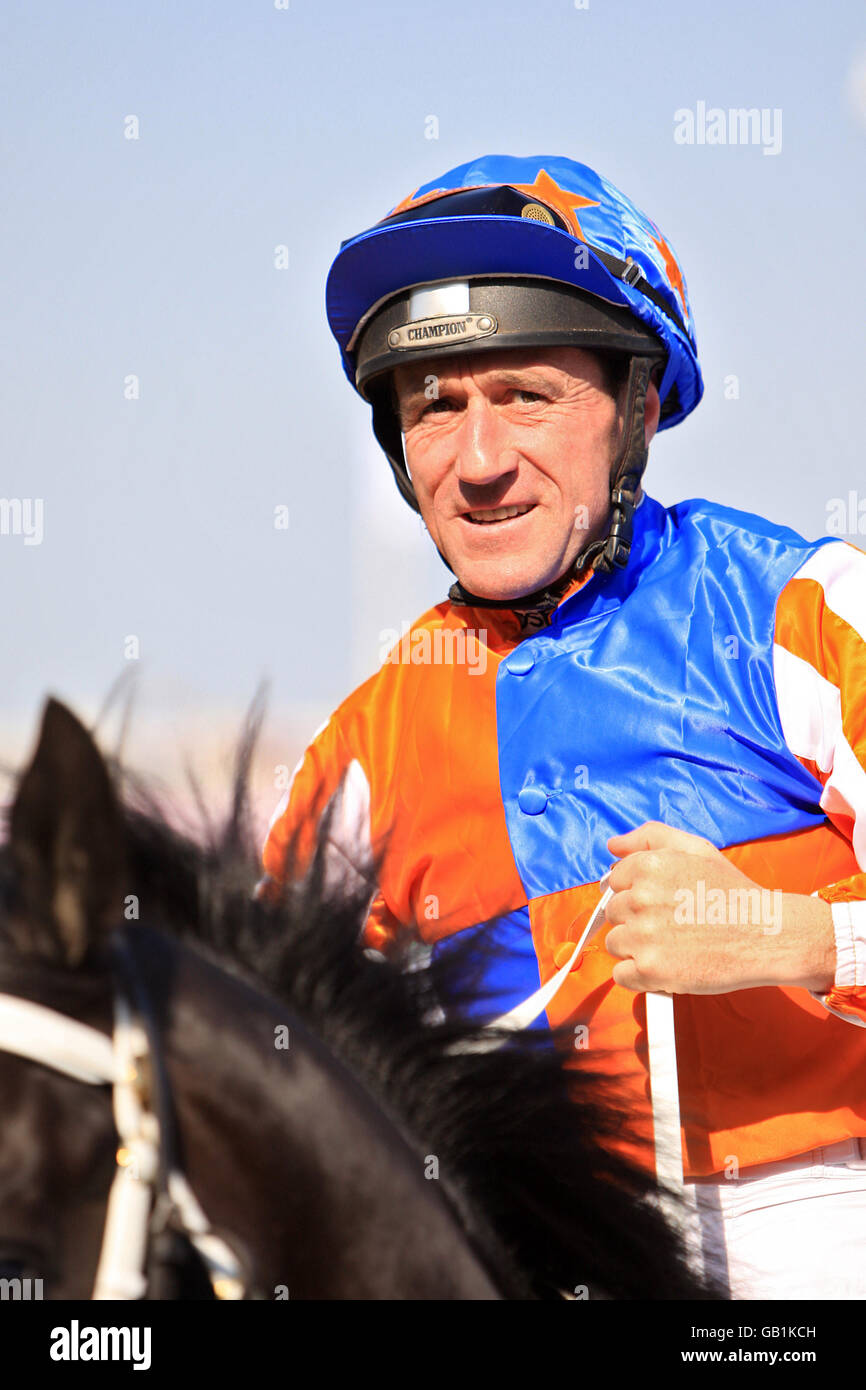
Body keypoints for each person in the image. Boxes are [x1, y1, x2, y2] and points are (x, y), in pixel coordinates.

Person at [260, 155, 866, 1298]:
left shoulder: (799, 608)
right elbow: (243, 1036)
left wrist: (793, 939)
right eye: (434, 407)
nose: (477, 463)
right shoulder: (365, 743)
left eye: (524, 395)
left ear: (635, 405)